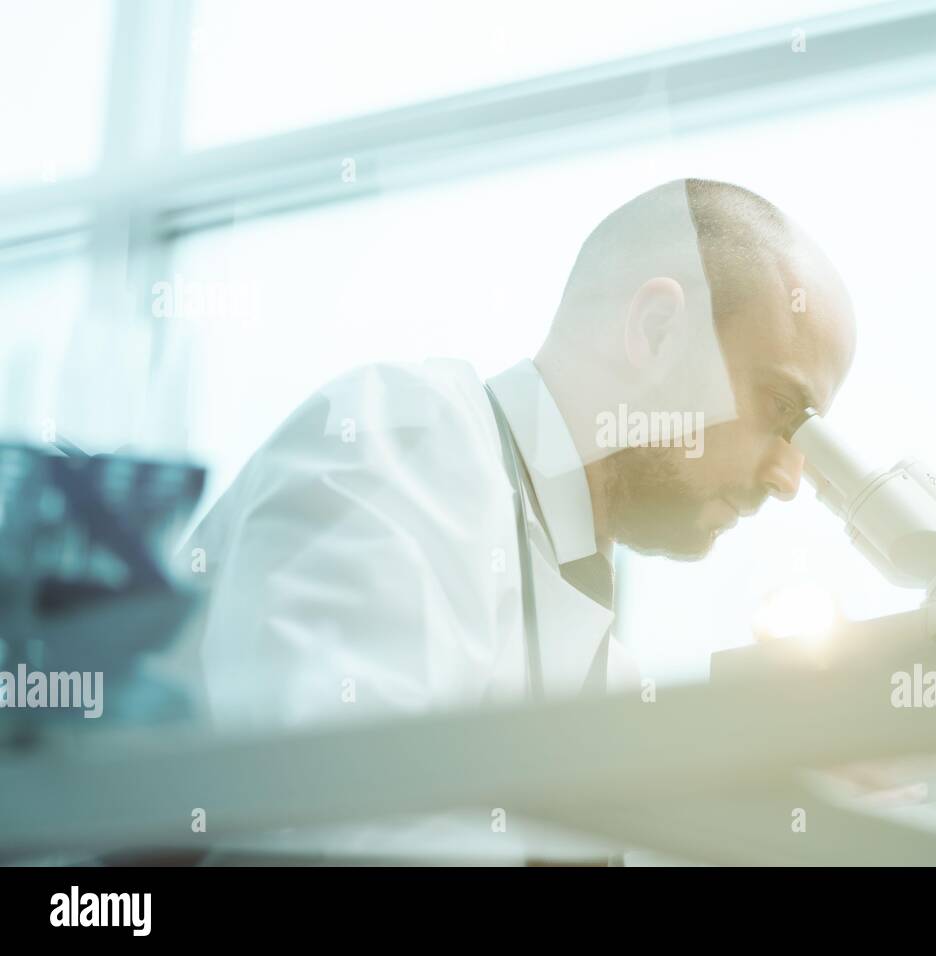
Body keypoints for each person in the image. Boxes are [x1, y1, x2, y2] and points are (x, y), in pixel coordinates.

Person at [173, 177, 856, 861]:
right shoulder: (405, 442)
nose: (789, 478)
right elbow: (334, 830)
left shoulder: (606, 667)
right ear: (655, 332)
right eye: (780, 409)